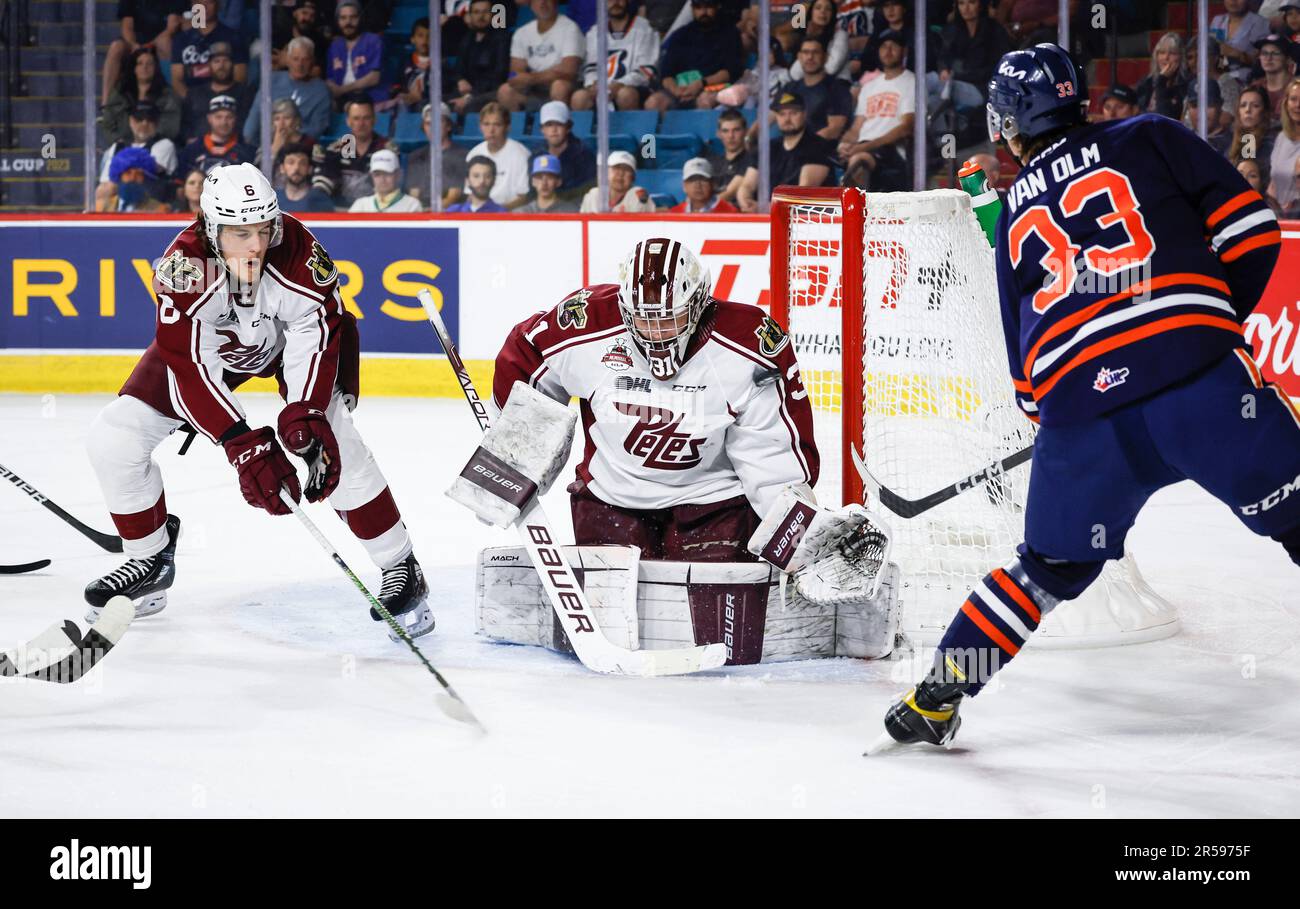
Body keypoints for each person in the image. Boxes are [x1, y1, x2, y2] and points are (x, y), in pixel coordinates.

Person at [878, 43, 1297, 750]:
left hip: (1082, 419)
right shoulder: (1150, 134)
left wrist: (1074, 420)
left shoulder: (1012, 213)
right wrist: (1209, 329)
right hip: (1200, 384)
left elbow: (1026, 380)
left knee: (1046, 568)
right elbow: (1255, 232)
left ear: (1010, 125)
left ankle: (941, 690)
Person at [82, 162, 433, 641]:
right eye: (238, 232)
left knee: (334, 443)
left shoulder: (300, 252)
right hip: (215, 355)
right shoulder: (183, 267)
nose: (254, 245)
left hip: (289, 347)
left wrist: (306, 414)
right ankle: (148, 560)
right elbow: (190, 367)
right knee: (113, 437)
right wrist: (241, 443)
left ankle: (400, 564)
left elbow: (319, 331)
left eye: (263, 229)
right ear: (210, 228)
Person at [490, 237, 818, 565]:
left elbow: (770, 451)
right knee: (609, 615)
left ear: (698, 303)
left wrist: (796, 539)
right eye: (645, 319)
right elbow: (529, 353)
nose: (657, 332)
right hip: (611, 500)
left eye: (670, 318)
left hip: (716, 505)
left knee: (707, 613)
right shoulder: (591, 324)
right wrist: (510, 460)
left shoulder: (747, 347)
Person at [839, 30, 914, 191]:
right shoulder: (869, 86)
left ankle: (855, 212)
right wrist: (845, 144)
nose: (887, 51)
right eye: (883, 47)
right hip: (864, 147)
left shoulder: (911, 81)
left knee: (859, 160)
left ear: (904, 51)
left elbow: (906, 128)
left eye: (893, 46)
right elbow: (856, 128)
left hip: (892, 151)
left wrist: (866, 147)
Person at [739, 92, 834, 210]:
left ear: (804, 114)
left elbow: (803, 193)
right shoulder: (769, 148)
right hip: (766, 218)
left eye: (793, 113)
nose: (787, 119)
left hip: (807, 221)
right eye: (782, 114)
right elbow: (747, 185)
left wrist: (764, 207)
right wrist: (746, 201)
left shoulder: (818, 146)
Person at [645, 0, 746, 112]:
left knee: (705, 100)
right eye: (698, 7)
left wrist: (700, 84)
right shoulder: (680, 35)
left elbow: (730, 72)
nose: (704, 11)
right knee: (654, 102)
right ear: (692, 8)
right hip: (681, 90)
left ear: (717, 6)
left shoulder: (730, 33)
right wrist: (677, 91)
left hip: (713, 87)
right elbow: (666, 75)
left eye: (708, 6)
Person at [571, 0, 661, 110]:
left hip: (634, 87)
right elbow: (591, 67)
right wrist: (593, 84)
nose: (616, 2)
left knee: (625, 95)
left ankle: (631, 128)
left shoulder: (644, 28)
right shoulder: (595, 31)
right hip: (602, 88)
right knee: (579, 98)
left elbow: (646, 70)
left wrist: (620, 84)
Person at [497, 0, 585, 110]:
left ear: (555, 2)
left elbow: (568, 72)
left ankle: (558, 125)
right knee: (505, 90)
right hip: (533, 89)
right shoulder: (521, 33)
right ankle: (517, 126)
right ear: (531, 4)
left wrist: (530, 77)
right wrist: (550, 73)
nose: (542, 3)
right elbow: (513, 74)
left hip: (565, 88)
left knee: (559, 86)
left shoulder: (570, 28)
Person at [244, 36, 332, 145]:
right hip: (266, 146)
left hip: (299, 148)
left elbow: (316, 130)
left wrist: (289, 141)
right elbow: (255, 117)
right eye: (295, 59)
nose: (300, 64)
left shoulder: (321, 91)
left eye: (305, 59)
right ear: (287, 60)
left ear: (312, 61)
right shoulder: (271, 81)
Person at [95, 101, 178, 212]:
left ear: (157, 123)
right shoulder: (117, 146)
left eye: (150, 119)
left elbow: (147, 177)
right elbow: (105, 187)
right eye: (139, 118)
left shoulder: (165, 144)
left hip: (151, 207)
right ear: (131, 121)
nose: (144, 123)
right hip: (118, 206)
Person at [932, 0, 1012, 114]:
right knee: (932, 99)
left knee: (931, 83)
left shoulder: (995, 31)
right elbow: (944, 57)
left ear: (980, 5)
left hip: (983, 90)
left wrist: (958, 75)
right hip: (953, 84)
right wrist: (943, 69)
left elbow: (997, 68)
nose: (966, 8)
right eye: (961, 3)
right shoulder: (952, 30)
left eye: (972, 2)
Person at [311, 97, 392, 207]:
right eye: (356, 118)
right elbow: (323, 185)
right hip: (341, 214)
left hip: (376, 212)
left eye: (366, 118)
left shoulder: (386, 150)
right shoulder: (336, 150)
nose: (361, 123)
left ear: (374, 119)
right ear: (348, 121)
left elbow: (392, 188)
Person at [102, 1, 182, 107]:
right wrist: (133, 44)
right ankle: (106, 105)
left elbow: (172, 26)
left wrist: (151, 45)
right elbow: (127, 26)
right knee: (116, 47)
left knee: (165, 43)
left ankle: (170, 100)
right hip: (135, 43)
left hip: (161, 41)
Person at [100, 45, 184, 146]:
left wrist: (148, 140)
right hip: (124, 146)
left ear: (155, 68)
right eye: (140, 63)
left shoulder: (168, 95)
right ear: (134, 68)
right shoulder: (120, 93)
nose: (145, 67)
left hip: (157, 146)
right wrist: (118, 142)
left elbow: (172, 126)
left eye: (150, 64)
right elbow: (108, 125)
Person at [170, 0, 249, 102]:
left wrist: (221, 103)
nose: (204, 7)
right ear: (193, 6)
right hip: (191, 104)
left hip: (226, 102)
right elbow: (177, 80)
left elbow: (240, 77)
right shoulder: (181, 39)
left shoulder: (233, 37)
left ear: (218, 5)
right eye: (199, 3)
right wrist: (192, 103)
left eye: (209, 2)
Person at [180, 41, 252, 143]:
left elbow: (247, 126)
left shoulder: (244, 93)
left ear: (232, 65)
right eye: (216, 61)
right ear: (209, 65)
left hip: (234, 148)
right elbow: (184, 125)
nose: (221, 66)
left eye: (226, 61)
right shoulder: (194, 93)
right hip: (198, 150)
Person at [449, 0, 513, 115]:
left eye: (485, 12)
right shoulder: (467, 39)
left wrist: (470, 96)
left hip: (492, 92)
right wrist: (460, 80)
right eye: (476, 12)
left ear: (493, 15)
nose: (481, 16)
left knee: (472, 106)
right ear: (470, 16)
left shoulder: (503, 38)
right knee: (434, 105)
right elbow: (458, 69)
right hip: (468, 93)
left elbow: (499, 75)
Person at [785, 37, 854, 141]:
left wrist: (800, 146)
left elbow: (834, 129)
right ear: (799, 57)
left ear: (825, 57)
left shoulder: (838, 90)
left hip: (820, 150)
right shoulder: (790, 87)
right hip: (789, 147)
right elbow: (771, 115)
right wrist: (751, 135)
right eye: (805, 52)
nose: (810, 57)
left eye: (815, 52)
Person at [464, 102, 532, 208]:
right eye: (486, 124)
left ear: (507, 127)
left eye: (497, 124)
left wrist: (497, 213)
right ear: (480, 127)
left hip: (511, 215)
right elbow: (470, 195)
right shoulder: (473, 154)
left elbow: (524, 198)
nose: (491, 130)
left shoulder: (522, 155)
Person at [176, 95, 257, 177]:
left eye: (229, 117)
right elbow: (180, 185)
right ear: (209, 118)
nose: (224, 122)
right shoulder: (191, 150)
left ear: (235, 119)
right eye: (218, 117)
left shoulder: (247, 152)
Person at [406, 103, 469, 209]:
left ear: (448, 126)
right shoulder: (416, 157)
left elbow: (453, 196)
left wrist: (431, 213)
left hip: (450, 214)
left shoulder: (462, 155)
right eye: (428, 124)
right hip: (420, 212)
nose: (432, 128)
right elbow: (414, 194)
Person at [326, 1, 388, 106]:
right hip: (342, 101)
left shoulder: (374, 40)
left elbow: (374, 78)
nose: (348, 22)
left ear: (360, 18)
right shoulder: (335, 45)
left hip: (372, 100)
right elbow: (329, 78)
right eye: (343, 18)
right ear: (338, 21)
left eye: (353, 17)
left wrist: (342, 90)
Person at [531, 101, 597, 199]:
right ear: (542, 129)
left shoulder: (584, 155)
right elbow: (532, 192)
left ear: (568, 127)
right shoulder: (536, 155)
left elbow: (588, 191)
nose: (554, 130)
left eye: (559, 124)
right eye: (549, 125)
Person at [783, 0, 851, 82]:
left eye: (828, 9)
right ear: (811, 13)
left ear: (832, 14)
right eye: (818, 8)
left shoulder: (840, 35)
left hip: (837, 86)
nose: (823, 11)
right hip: (809, 88)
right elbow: (795, 74)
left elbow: (831, 69)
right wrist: (812, 37)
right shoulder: (804, 37)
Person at [1211, 0, 1271, 83]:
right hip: (1217, 73)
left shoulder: (1260, 23)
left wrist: (1236, 54)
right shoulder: (1217, 21)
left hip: (1245, 78)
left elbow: (1263, 60)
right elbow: (1213, 51)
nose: (1233, 1)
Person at [1136, 32, 1191, 120]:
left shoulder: (1186, 85)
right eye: (1162, 52)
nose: (1166, 57)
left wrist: (1161, 81)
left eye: (1172, 53)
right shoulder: (1146, 82)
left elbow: (1166, 118)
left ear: (1181, 57)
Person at [706, 107, 755, 206]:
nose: (730, 136)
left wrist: (702, 208)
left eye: (736, 130)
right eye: (725, 131)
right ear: (718, 134)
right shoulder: (712, 162)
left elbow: (729, 193)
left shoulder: (752, 160)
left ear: (745, 131)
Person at [579, 149, 656, 211]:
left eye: (626, 170)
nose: (620, 174)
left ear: (633, 177)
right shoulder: (593, 195)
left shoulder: (637, 194)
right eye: (616, 168)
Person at [349, 149, 423, 212]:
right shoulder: (360, 205)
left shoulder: (412, 205)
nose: (382, 179)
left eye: (387, 174)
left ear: (398, 174)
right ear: (371, 176)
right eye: (377, 174)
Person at [1268, 78, 1300, 210]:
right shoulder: (1281, 137)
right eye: (1293, 99)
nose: (1298, 105)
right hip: (1280, 215)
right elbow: (1273, 185)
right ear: (1286, 103)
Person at [276, 142, 336, 212]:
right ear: (282, 168)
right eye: (291, 162)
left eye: (302, 163)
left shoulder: (321, 200)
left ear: (309, 169)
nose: (296, 168)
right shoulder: (273, 199)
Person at [1252, 34, 1298, 121]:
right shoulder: (1255, 87)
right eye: (1264, 53)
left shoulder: (1297, 87)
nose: (1268, 58)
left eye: (1275, 53)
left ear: (1288, 59)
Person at [1229, 85, 1276, 170]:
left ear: (1265, 111)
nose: (1248, 110)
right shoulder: (1230, 142)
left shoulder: (1272, 144)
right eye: (1243, 105)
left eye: (1255, 105)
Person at [516, 154, 581, 212]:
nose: (544, 183)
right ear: (533, 181)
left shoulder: (571, 212)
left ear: (558, 182)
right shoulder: (522, 213)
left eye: (550, 177)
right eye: (539, 177)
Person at [670, 157, 738, 212]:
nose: (697, 185)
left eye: (703, 179)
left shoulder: (729, 212)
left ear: (713, 184)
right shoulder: (675, 212)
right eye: (692, 180)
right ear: (684, 186)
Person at [1184, 80, 1232, 156]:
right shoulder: (1181, 141)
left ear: (1220, 105)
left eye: (1208, 104)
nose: (1201, 112)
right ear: (1188, 107)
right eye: (1194, 105)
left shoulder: (1238, 142)